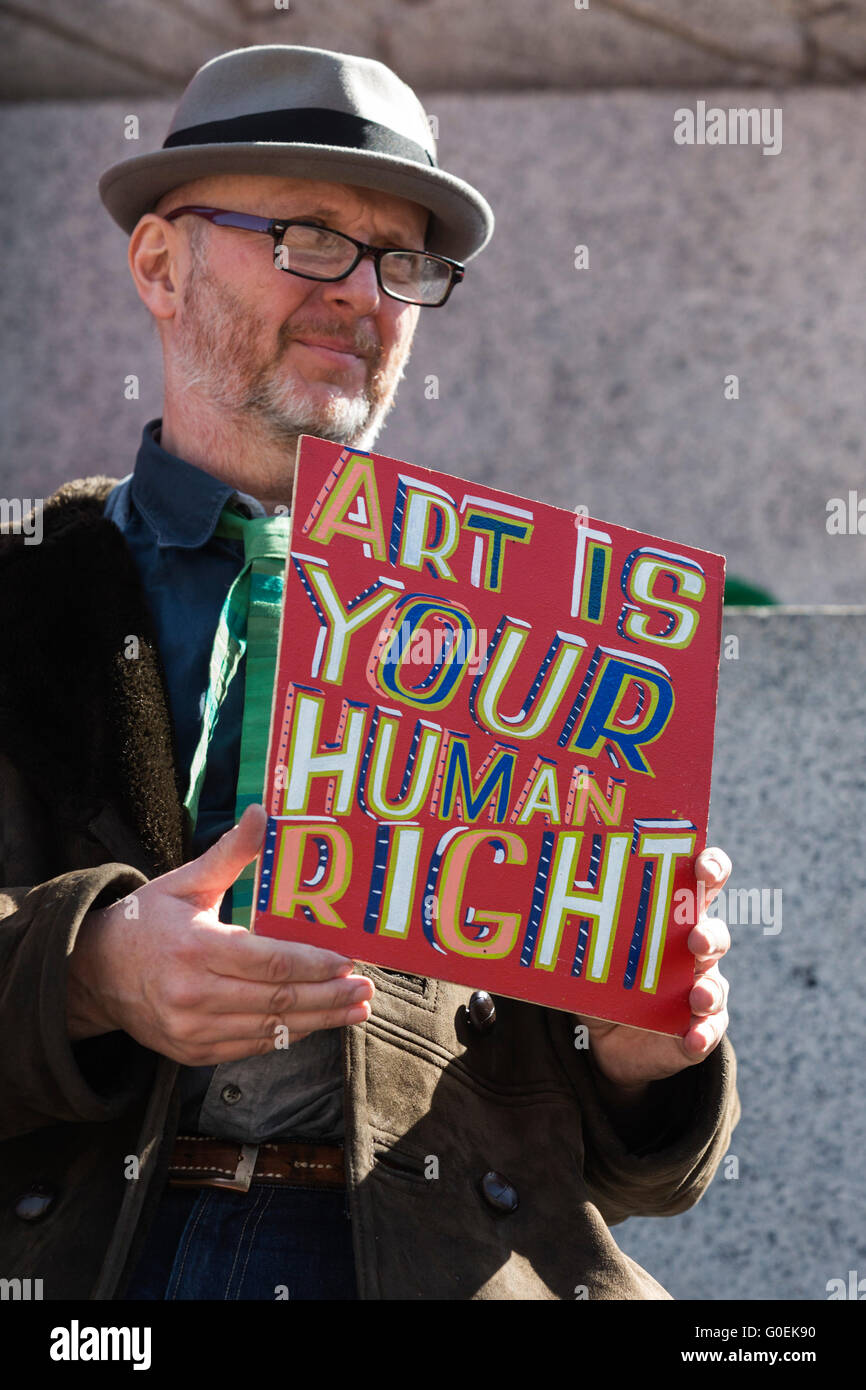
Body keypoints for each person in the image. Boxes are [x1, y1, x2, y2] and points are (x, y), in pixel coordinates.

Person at [0, 43, 739, 1301]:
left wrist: (641, 1056)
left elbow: (644, 1172)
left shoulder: (528, 635)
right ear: (159, 265)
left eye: (402, 260)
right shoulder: (20, 601)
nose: (365, 292)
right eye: (307, 236)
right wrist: (89, 968)